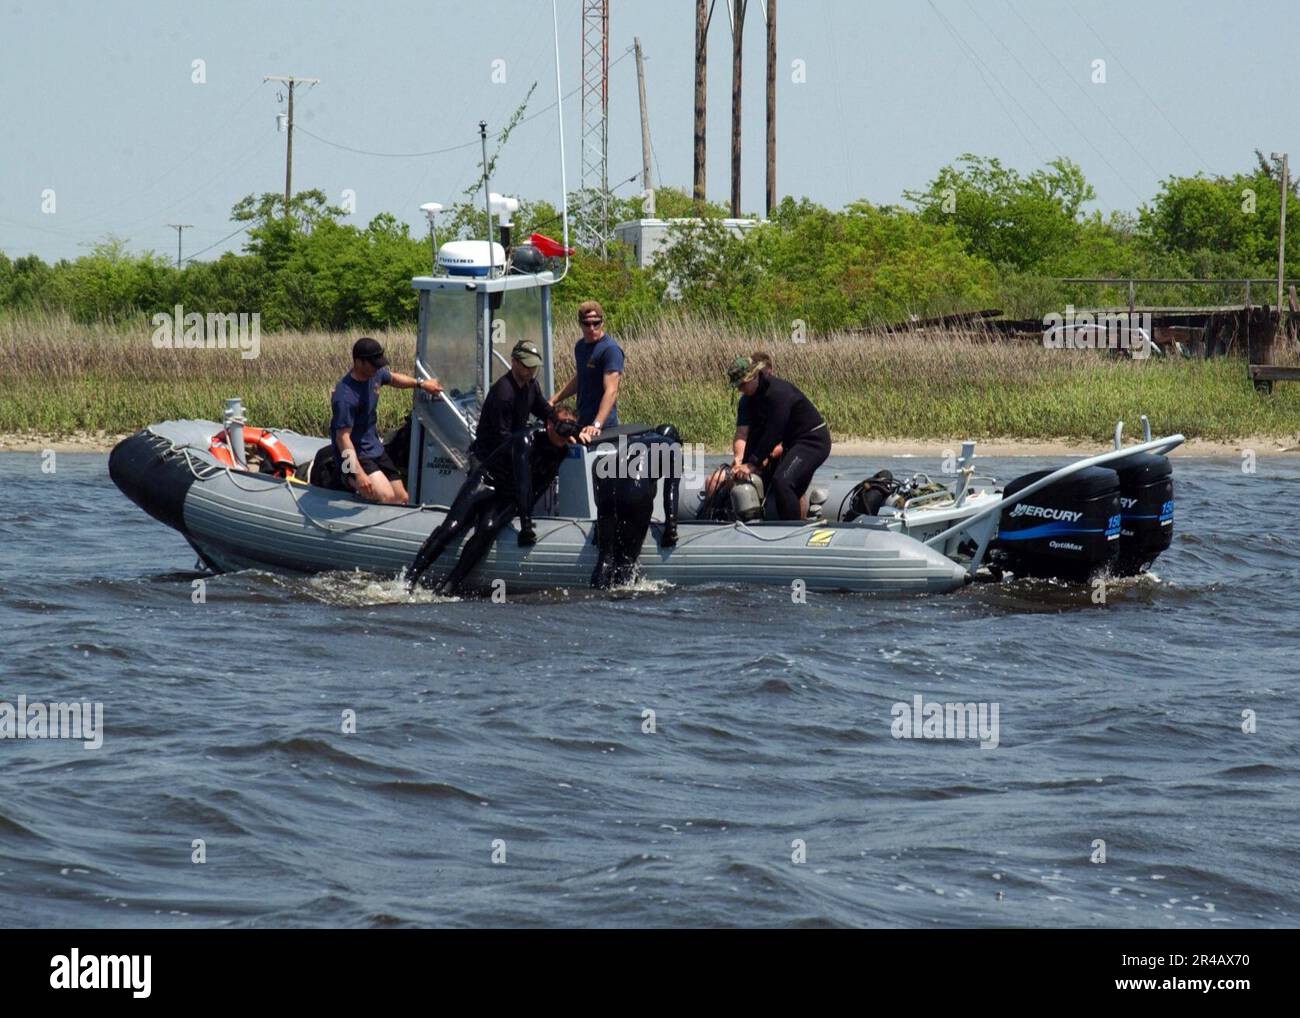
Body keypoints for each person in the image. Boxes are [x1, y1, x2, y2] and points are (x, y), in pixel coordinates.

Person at [407, 406, 580, 594]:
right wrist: (526, 523)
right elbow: (524, 482)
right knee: (453, 526)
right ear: (549, 425)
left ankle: (449, 585)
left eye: (571, 430)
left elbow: (540, 486)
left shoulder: (561, 451)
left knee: (487, 530)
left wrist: (525, 518)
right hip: (486, 481)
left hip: (508, 495)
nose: (565, 436)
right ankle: (412, 576)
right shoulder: (526, 439)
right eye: (563, 429)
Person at [331, 336, 442, 505]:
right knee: (386, 497)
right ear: (359, 362)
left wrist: (421, 384)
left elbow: (393, 378)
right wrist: (358, 474)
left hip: (373, 447)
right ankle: (346, 478)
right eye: (373, 365)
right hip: (356, 454)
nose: (378, 369)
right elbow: (342, 438)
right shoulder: (345, 397)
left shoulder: (374, 374)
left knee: (402, 498)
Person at [730, 356, 831, 520]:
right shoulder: (754, 398)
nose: (740, 390)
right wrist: (744, 462)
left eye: (742, 384)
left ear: (754, 376)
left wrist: (753, 463)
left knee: (783, 482)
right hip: (793, 443)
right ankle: (800, 519)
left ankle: (791, 530)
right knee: (785, 488)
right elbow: (755, 433)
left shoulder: (777, 392)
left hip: (812, 440)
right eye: (737, 386)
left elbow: (774, 432)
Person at [704, 351, 777, 503]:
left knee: (787, 485)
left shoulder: (779, 396)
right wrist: (738, 459)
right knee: (713, 480)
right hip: (752, 457)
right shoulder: (746, 401)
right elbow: (741, 434)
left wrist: (761, 462)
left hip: (776, 458)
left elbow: (785, 439)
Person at [469, 338, 554, 468]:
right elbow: (502, 437)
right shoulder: (503, 393)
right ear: (514, 362)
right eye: (527, 366)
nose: (531, 371)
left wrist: (568, 428)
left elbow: (546, 411)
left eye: (534, 366)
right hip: (489, 458)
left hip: (512, 449)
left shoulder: (532, 385)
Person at [549, 300, 623, 444]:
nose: (591, 328)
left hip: (603, 426)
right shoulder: (580, 347)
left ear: (602, 323)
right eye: (587, 324)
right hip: (582, 422)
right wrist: (553, 400)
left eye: (596, 323)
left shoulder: (610, 350)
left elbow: (612, 391)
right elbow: (580, 378)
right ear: (580, 324)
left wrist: (597, 424)